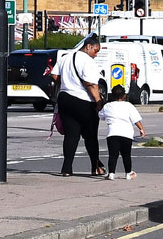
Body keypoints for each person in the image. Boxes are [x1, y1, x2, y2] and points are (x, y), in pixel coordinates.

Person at [57, 34, 106, 177]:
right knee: (90, 136)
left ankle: (66, 168)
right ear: (88, 46)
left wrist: (68, 82)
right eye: (95, 50)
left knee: (71, 136)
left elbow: (54, 76)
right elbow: (91, 84)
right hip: (83, 101)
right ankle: (95, 167)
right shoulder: (88, 61)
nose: (96, 55)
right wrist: (98, 101)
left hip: (65, 98)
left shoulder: (65, 57)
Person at [100, 84, 145, 180]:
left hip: (112, 133)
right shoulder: (128, 106)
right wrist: (141, 129)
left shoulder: (107, 106)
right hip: (126, 134)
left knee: (113, 155)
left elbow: (101, 116)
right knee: (126, 155)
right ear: (124, 95)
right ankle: (128, 173)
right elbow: (136, 120)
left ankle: (111, 173)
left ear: (112, 95)